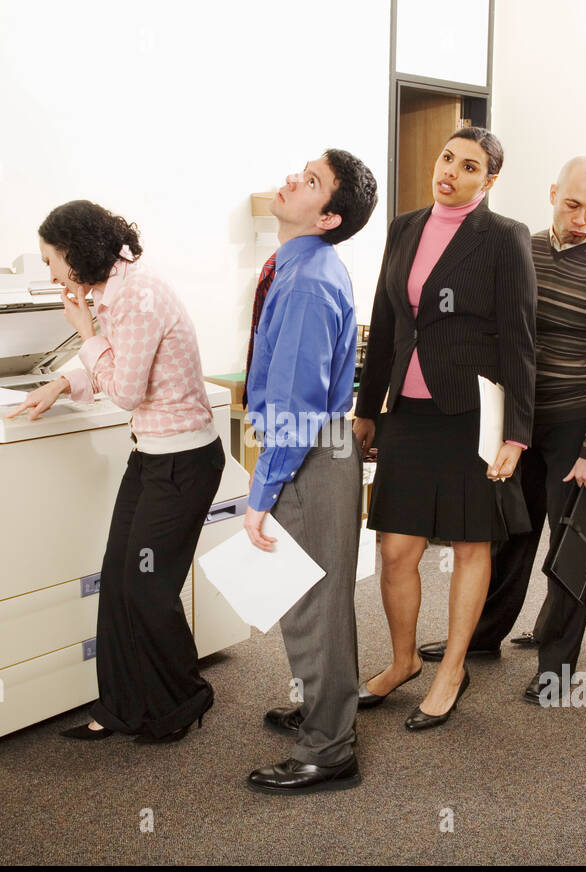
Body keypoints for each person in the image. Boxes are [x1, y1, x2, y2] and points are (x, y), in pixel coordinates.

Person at [417, 156, 586, 706]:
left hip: (575, 425)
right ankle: (482, 636)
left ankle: (557, 669)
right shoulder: (524, 251)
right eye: (572, 205)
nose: (581, 219)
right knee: (510, 533)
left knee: (572, 546)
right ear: (551, 194)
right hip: (517, 418)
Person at [10, 200, 226, 742]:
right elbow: (118, 364)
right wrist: (60, 384)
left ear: (74, 251)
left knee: (148, 588)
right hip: (153, 454)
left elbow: (125, 390)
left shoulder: (135, 296)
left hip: (182, 460)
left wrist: (84, 332)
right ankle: (122, 705)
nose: (51, 274)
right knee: (121, 582)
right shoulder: (116, 289)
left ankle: (183, 698)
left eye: (49, 260)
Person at [352, 127, 536, 731]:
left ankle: (452, 667)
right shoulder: (404, 226)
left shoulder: (504, 239)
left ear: (489, 180)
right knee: (396, 548)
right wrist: (368, 408)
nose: (450, 171)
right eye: (447, 157)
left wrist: (516, 432)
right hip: (407, 409)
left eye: (469, 166)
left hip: (471, 413)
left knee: (468, 544)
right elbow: (386, 319)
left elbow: (519, 339)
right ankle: (404, 660)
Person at [245, 149, 378, 794]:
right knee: (312, 596)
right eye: (304, 166)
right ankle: (323, 709)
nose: (294, 176)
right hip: (316, 446)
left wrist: (261, 492)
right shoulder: (303, 265)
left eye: (312, 181)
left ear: (326, 217)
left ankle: (329, 748)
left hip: (309, 452)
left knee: (313, 604)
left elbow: (296, 409)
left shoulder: (306, 281)